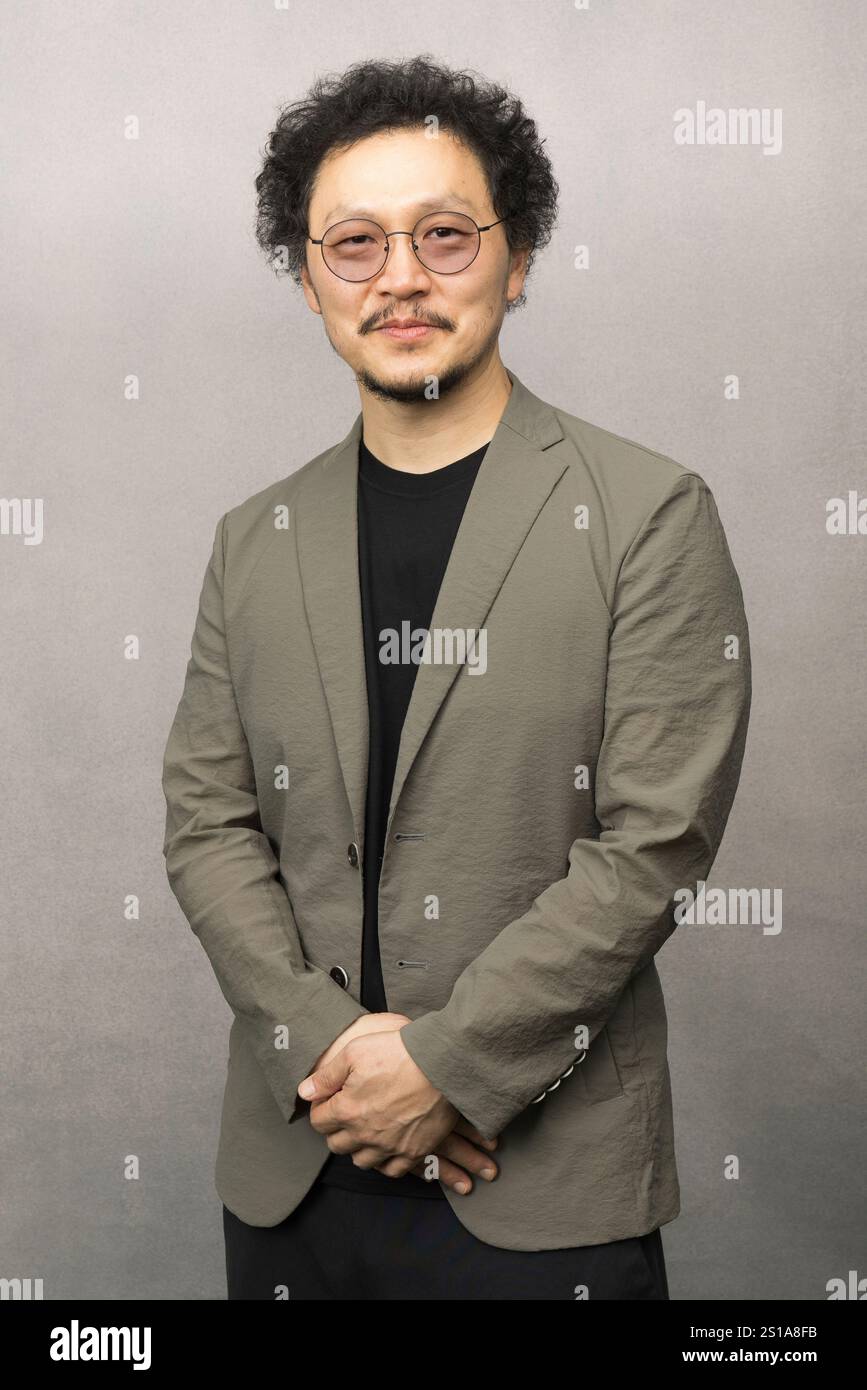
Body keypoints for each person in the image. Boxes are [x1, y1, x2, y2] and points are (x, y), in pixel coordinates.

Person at [161, 55, 751, 1300]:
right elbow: (208, 828)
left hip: (541, 1193)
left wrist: (446, 1066)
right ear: (311, 278)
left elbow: (652, 842)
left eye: (443, 234)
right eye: (355, 244)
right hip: (295, 1173)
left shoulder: (649, 513)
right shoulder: (248, 538)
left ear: (518, 256)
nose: (402, 279)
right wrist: (338, 1058)